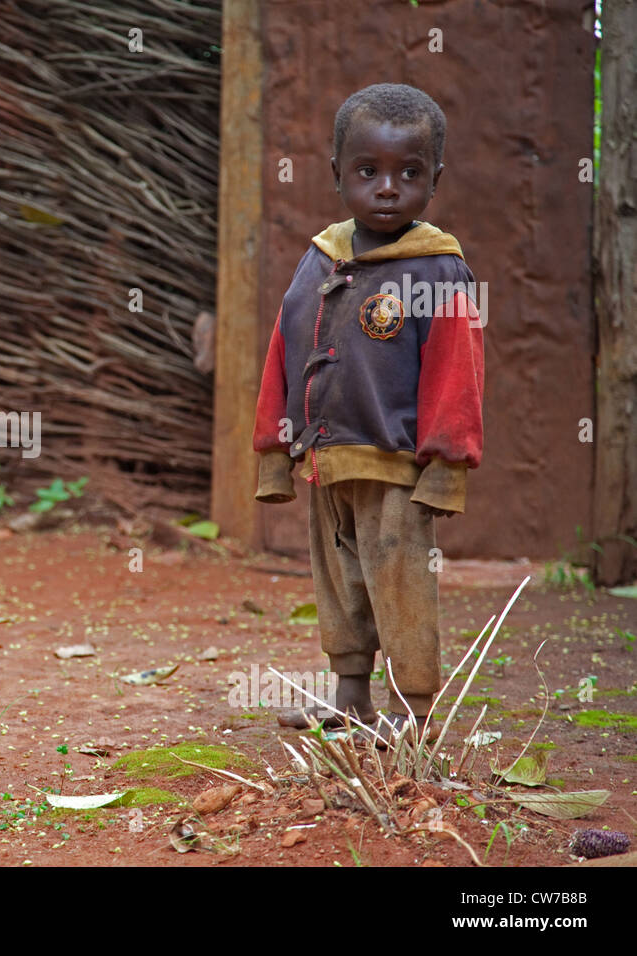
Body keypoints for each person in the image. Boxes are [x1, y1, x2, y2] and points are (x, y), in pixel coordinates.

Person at [252, 83, 484, 739]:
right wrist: (275, 450)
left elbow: (457, 371)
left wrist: (447, 467)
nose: (388, 188)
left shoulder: (438, 271)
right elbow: (285, 346)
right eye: (368, 171)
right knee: (339, 583)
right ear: (337, 174)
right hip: (326, 459)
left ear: (434, 180)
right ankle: (351, 698)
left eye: (409, 173)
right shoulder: (319, 258)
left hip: (395, 465)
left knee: (401, 585)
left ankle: (414, 712)